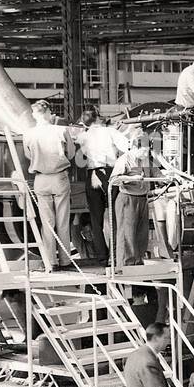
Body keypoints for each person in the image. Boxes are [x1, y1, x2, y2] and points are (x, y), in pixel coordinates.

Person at [22, 100, 77, 270]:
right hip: (59, 177)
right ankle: (66, 260)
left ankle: (50, 261)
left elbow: (28, 155)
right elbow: (72, 153)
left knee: (47, 222)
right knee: (62, 220)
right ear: (48, 112)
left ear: (34, 115)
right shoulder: (61, 130)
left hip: (41, 179)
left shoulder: (28, 134)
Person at [75, 106, 131, 263]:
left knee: (95, 218)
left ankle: (102, 255)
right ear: (98, 117)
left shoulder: (83, 136)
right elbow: (127, 147)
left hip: (92, 174)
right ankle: (115, 254)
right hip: (109, 173)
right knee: (114, 216)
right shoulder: (110, 132)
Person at [110, 145, 154, 266]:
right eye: (144, 149)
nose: (146, 152)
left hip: (142, 199)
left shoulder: (146, 160)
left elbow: (157, 172)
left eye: (148, 150)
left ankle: (138, 265)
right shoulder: (124, 159)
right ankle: (125, 267)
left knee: (141, 235)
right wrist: (131, 178)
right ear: (135, 147)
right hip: (127, 198)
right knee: (127, 236)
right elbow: (113, 180)